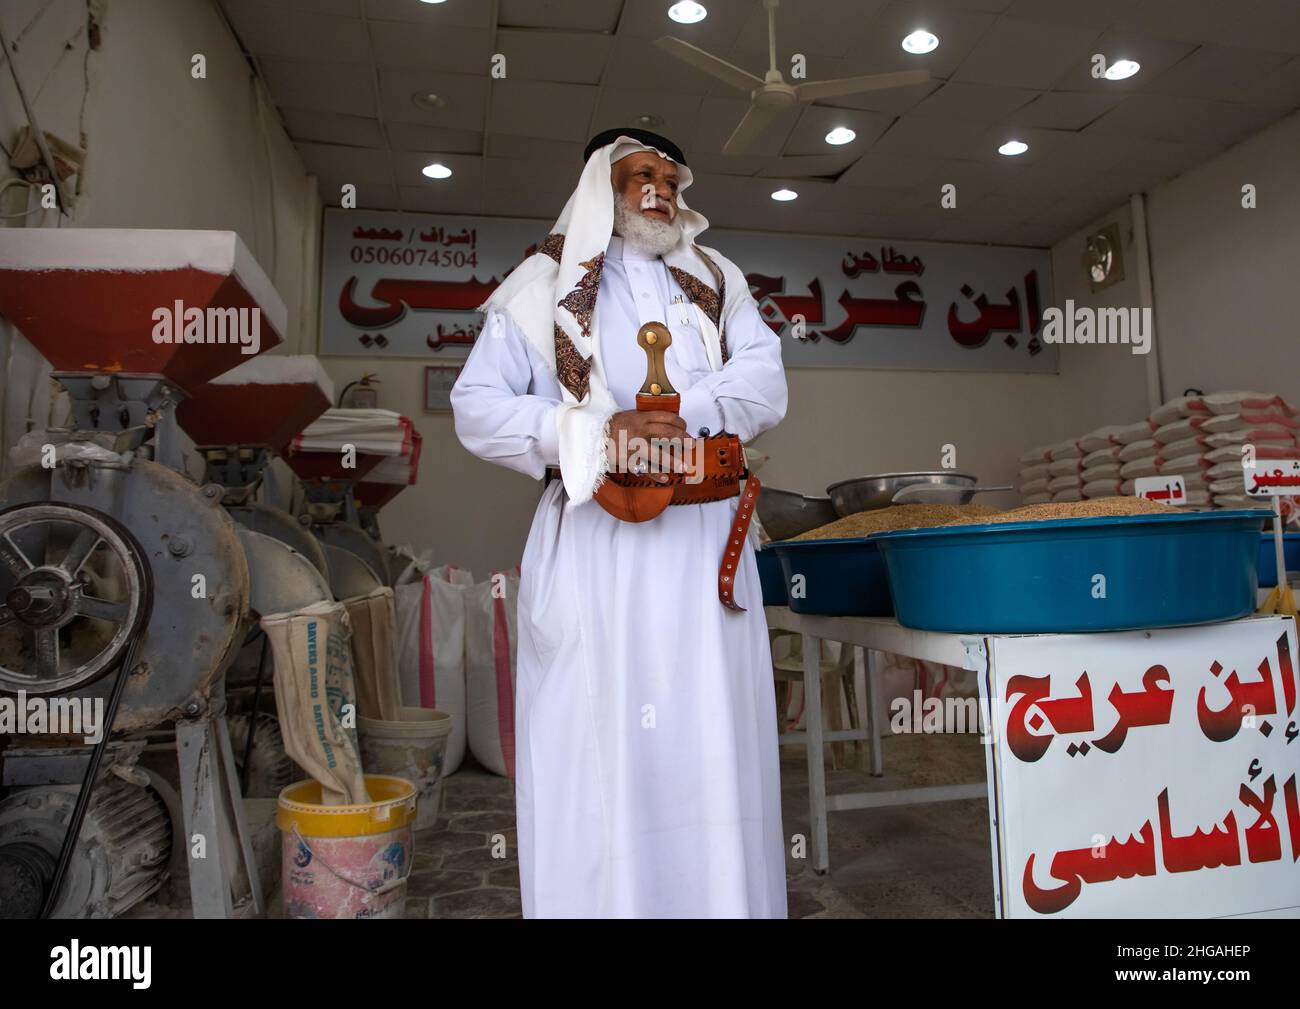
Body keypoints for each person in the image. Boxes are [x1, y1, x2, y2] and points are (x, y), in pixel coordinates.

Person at [451, 127, 788, 918]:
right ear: (601, 186)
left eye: (671, 178)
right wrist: (601, 437)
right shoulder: (541, 285)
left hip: (707, 550)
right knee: (601, 759)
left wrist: (678, 414)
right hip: (600, 554)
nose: (660, 191)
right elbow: (478, 408)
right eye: (641, 175)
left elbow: (766, 382)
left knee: (714, 750)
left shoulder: (716, 276)